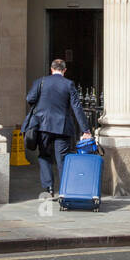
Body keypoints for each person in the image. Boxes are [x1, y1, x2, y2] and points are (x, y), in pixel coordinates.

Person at [26, 60, 93, 199]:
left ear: (51, 69)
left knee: (44, 156)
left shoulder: (40, 81)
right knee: (62, 158)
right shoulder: (68, 84)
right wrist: (85, 130)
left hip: (43, 126)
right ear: (64, 70)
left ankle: (49, 187)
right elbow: (77, 108)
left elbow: (30, 98)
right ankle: (64, 189)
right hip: (62, 127)